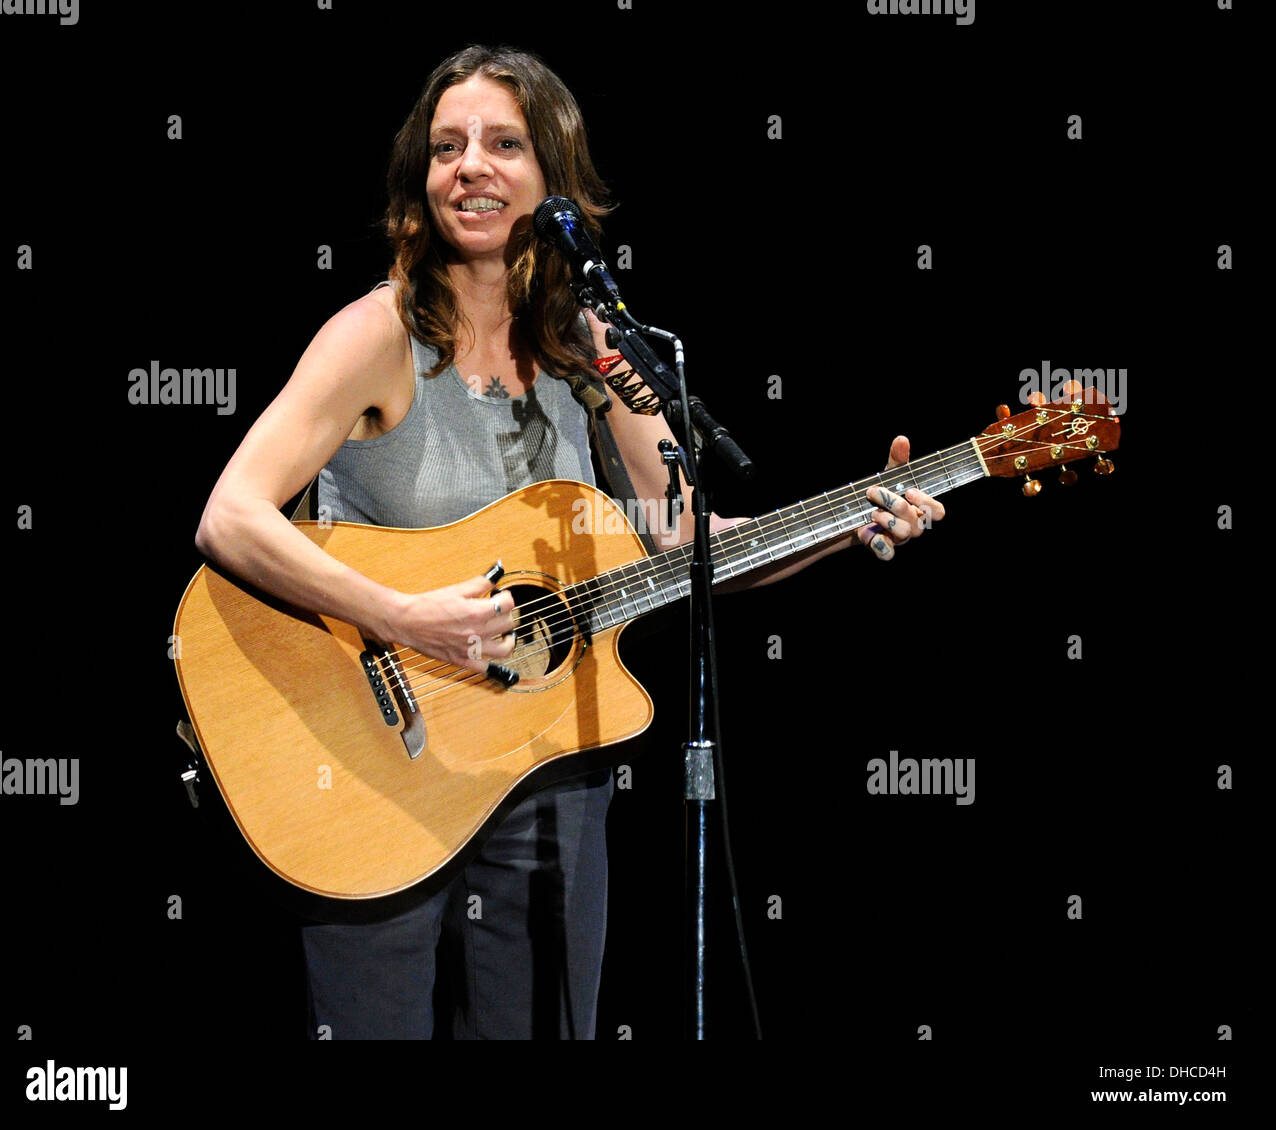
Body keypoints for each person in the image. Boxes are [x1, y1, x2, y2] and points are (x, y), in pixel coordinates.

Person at [193, 44, 945, 1040]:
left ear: (552, 176)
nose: (472, 165)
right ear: (419, 177)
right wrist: (404, 613)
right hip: (372, 759)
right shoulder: (376, 335)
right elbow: (229, 514)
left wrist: (853, 517)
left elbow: (690, 537)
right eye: (447, 146)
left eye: (504, 144)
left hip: (543, 772)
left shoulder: (592, 344)